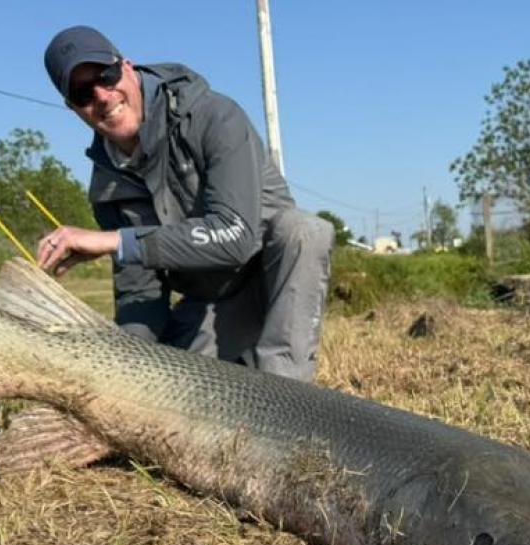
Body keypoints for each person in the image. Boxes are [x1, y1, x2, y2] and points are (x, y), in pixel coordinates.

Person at [38, 25, 333, 382]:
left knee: (304, 231)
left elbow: (235, 237)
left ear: (127, 67)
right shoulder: (107, 186)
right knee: (171, 383)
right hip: (211, 302)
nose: (102, 95)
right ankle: (238, 363)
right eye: (83, 93)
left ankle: (288, 393)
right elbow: (141, 292)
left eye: (106, 75)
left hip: (271, 283)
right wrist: (130, 371)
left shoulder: (214, 117)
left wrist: (115, 241)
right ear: (73, 108)